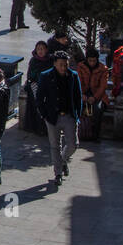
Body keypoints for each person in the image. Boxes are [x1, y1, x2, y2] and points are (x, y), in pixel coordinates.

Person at [37, 51, 83, 186]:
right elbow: (40, 98)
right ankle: (58, 173)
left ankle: (63, 160)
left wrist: (77, 115)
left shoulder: (73, 76)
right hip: (52, 117)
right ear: (55, 64)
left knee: (74, 144)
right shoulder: (45, 76)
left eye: (66, 64)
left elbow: (78, 96)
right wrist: (44, 115)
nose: (64, 67)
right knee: (55, 146)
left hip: (69, 115)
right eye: (61, 65)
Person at [77, 48, 109, 140]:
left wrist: (94, 97)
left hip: (98, 96)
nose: (92, 63)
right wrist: (81, 94)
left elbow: (103, 86)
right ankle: (79, 132)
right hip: (83, 94)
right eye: (90, 60)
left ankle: (95, 135)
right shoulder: (81, 66)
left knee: (98, 109)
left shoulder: (103, 69)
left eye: (94, 61)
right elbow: (78, 82)